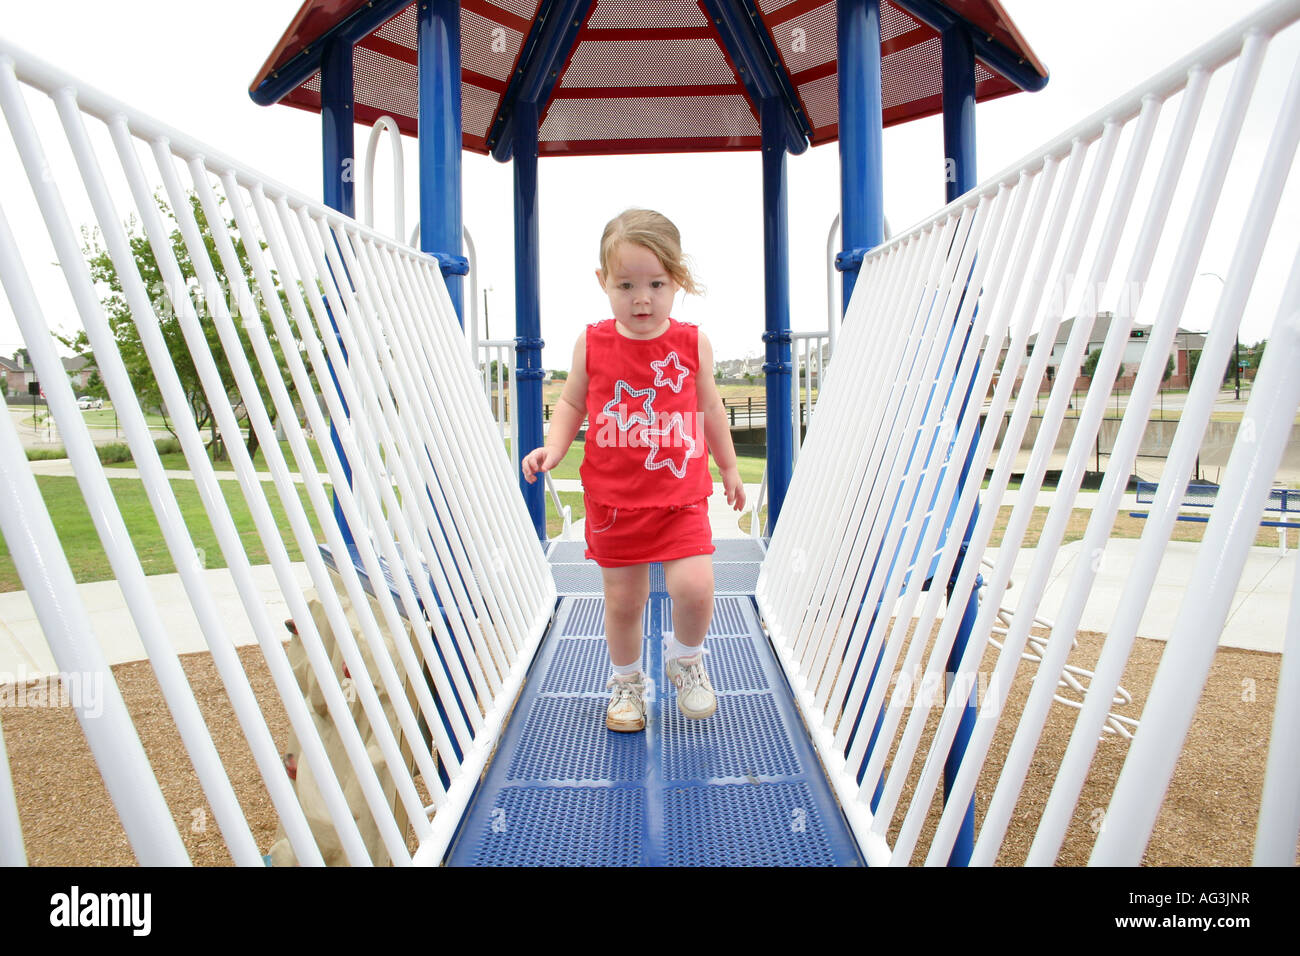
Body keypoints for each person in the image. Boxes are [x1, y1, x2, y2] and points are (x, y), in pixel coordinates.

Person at [522, 209, 746, 732]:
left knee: (695, 586)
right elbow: (572, 403)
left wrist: (730, 466)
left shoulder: (692, 344)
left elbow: (711, 409)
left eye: (655, 284)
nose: (641, 298)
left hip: (680, 498)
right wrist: (554, 448)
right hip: (615, 501)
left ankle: (685, 661)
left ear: (677, 282)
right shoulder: (593, 343)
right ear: (602, 281)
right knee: (624, 601)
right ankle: (626, 683)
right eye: (625, 284)